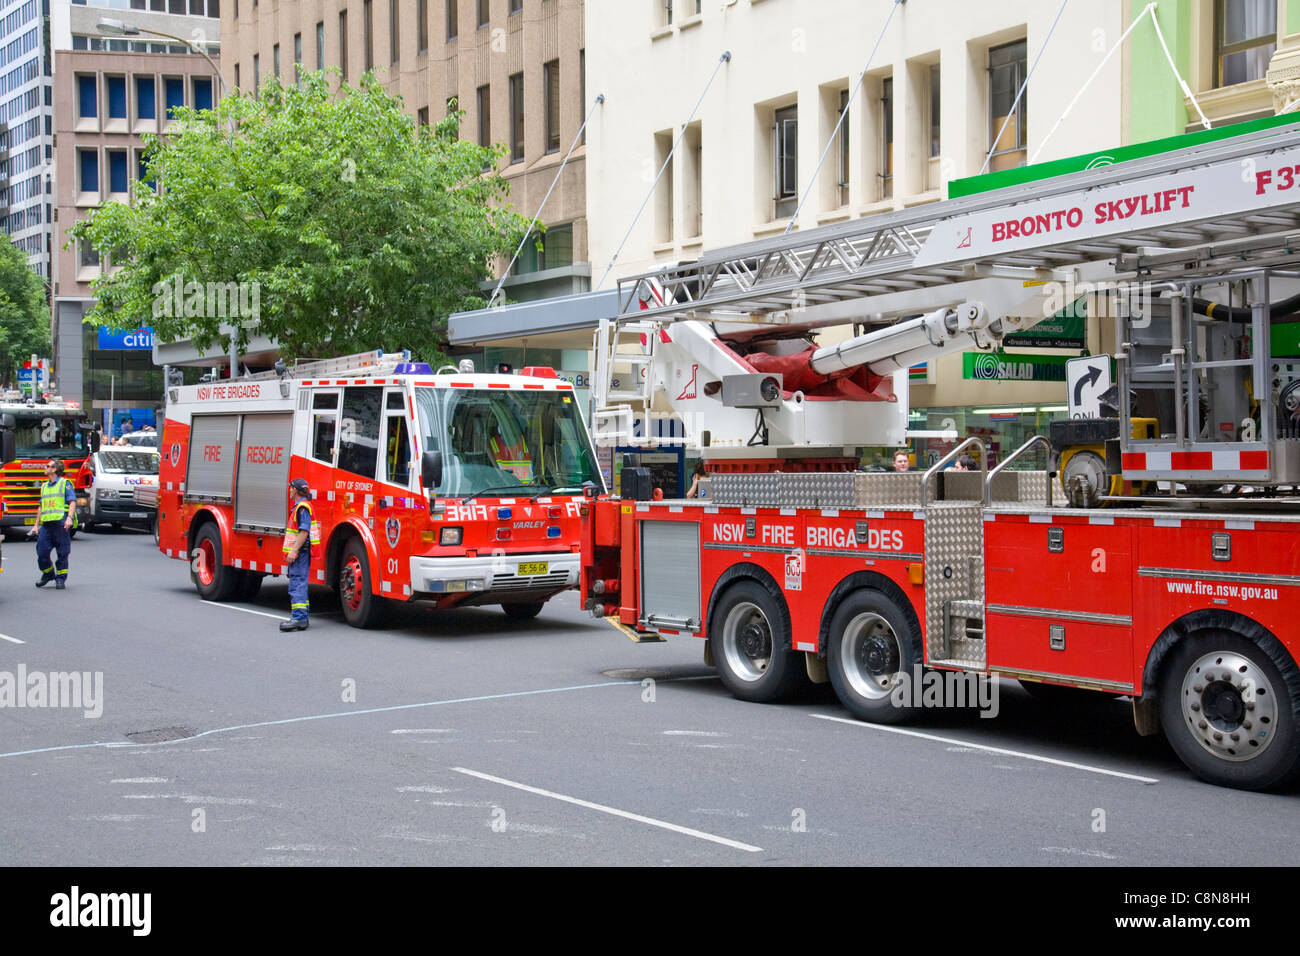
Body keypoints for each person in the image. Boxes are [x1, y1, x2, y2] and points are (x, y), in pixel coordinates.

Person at [280, 478, 317, 632]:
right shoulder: (301, 507)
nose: (289, 491)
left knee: (297, 583)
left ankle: (299, 618)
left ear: (295, 490)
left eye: (290, 488)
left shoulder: (302, 508)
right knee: (298, 582)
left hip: (300, 554)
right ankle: (301, 616)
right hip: (300, 553)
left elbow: (304, 531)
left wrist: (294, 550)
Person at [31, 460, 76, 589]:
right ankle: (49, 573)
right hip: (46, 525)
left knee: (63, 553)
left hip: (61, 524)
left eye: (48, 466)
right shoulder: (44, 486)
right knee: (42, 552)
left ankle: (60, 579)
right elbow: (41, 506)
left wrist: (69, 518)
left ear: (54, 469)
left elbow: (72, 501)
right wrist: (36, 524)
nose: (45, 468)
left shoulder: (64, 484)